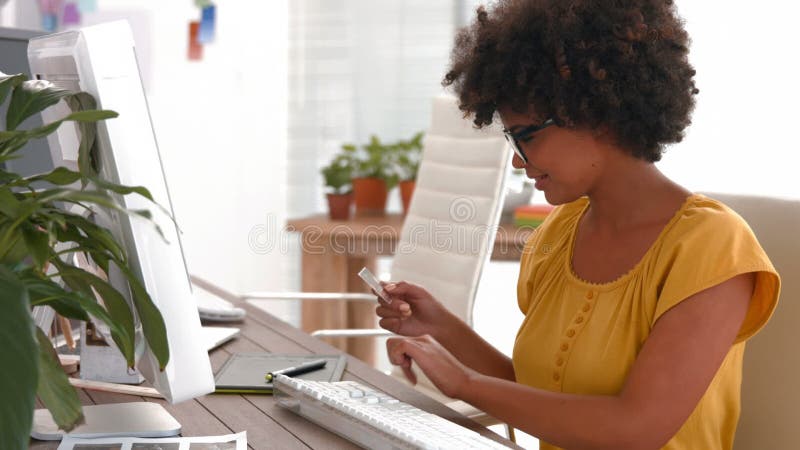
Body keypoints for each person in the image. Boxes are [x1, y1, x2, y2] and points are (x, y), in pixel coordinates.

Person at [374, 1, 780, 449]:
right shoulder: (557, 233)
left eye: (526, 136)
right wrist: (443, 329)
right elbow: (542, 395)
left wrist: (464, 384)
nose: (517, 158)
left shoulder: (712, 246)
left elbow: (637, 427)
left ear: (597, 114)